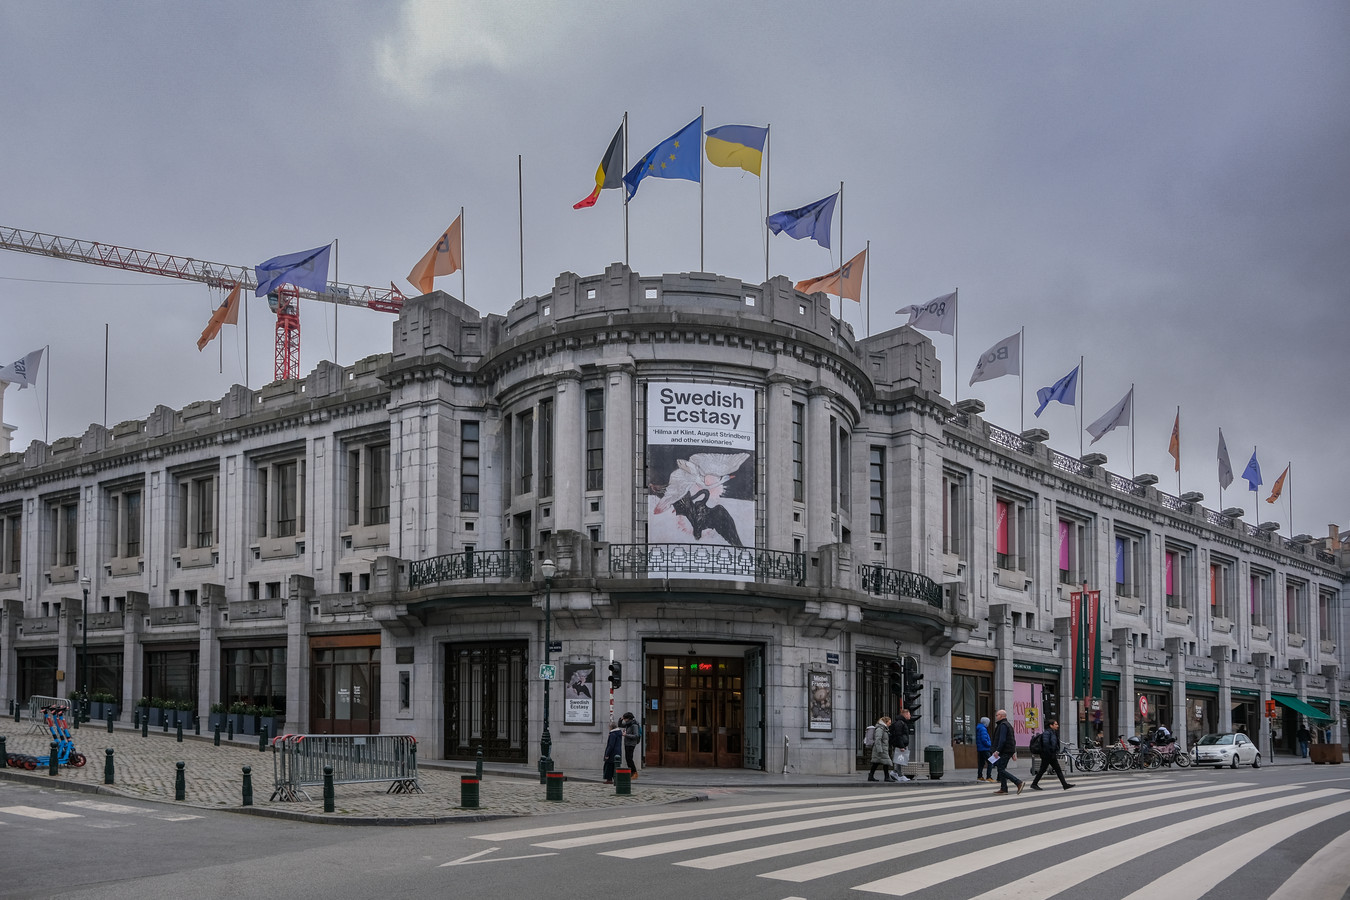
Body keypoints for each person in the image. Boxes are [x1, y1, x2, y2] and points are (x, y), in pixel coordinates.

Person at [1029, 719, 1074, 791]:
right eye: (1056, 724)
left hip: (1050, 754)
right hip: (1048, 755)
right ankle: (1034, 784)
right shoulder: (1047, 733)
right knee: (1045, 769)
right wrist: (1050, 752)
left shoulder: (1052, 732)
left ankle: (1064, 784)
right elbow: (1046, 743)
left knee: (1054, 769)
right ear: (1051, 725)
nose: (1057, 726)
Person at [989, 709, 1023, 795]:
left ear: (1001, 716)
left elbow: (1002, 740)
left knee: (1001, 770)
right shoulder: (1008, 725)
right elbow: (1012, 739)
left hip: (1004, 751)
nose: (996, 717)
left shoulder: (1003, 725)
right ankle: (1004, 788)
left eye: (997, 715)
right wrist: (1013, 752)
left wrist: (997, 751)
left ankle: (1018, 782)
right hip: (1007, 750)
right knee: (1001, 769)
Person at [889, 709, 912, 782]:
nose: (910, 716)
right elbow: (898, 735)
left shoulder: (902, 722)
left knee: (901, 760)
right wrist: (901, 746)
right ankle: (899, 774)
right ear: (905, 714)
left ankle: (897, 773)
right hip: (899, 745)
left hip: (901, 744)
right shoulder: (900, 723)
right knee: (899, 760)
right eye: (909, 714)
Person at [868, 715, 894, 782]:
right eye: (889, 722)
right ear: (885, 722)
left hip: (882, 748)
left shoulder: (884, 729)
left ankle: (871, 775)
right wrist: (879, 749)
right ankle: (886, 777)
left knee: (876, 763)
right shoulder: (880, 729)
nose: (890, 724)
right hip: (880, 749)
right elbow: (878, 739)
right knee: (886, 762)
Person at [619, 711, 642, 777]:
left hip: (631, 744)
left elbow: (636, 735)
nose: (624, 720)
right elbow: (620, 725)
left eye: (625, 719)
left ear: (628, 718)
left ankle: (634, 772)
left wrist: (626, 735)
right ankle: (632, 772)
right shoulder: (628, 724)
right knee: (628, 758)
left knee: (629, 759)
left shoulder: (634, 725)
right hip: (627, 743)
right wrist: (620, 720)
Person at [975, 716, 993, 782]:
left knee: (981, 763)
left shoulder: (979, 728)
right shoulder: (983, 729)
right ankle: (989, 777)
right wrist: (989, 744)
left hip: (980, 748)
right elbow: (984, 739)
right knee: (991, 762)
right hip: (985, 748)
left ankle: (979, 776)